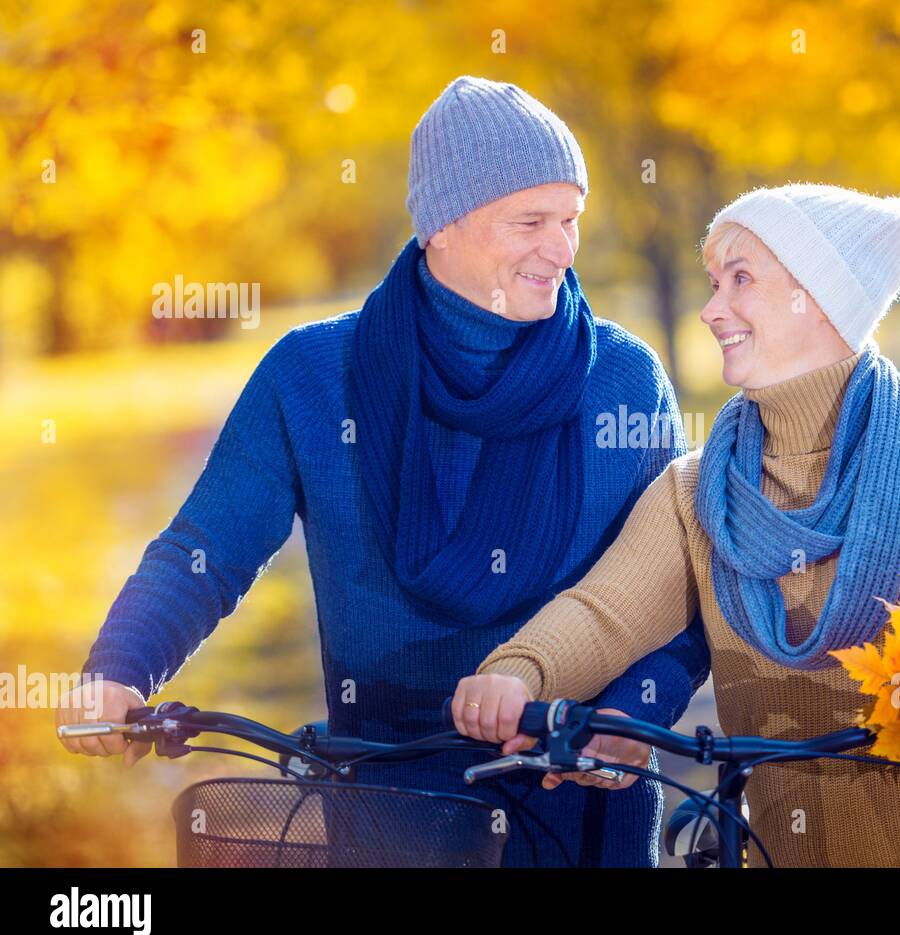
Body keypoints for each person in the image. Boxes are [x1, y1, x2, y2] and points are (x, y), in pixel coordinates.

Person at [56, 75, 710, 868]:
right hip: (387, 805)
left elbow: (682, 590)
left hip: (572, 799)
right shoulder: (312, 376)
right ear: (441, 224)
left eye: (570, 219)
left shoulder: (624, 383)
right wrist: (118, 669)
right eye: (530, 221)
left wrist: (634, 717)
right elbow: (206, 547)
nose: (562, 248)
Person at [452, 183, 900, 866]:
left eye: (740, 279)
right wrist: (517, 674)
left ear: (821, 296)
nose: (710, 310)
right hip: (783, 846)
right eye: (712, 282)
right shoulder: (694, 491)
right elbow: (603, 611)